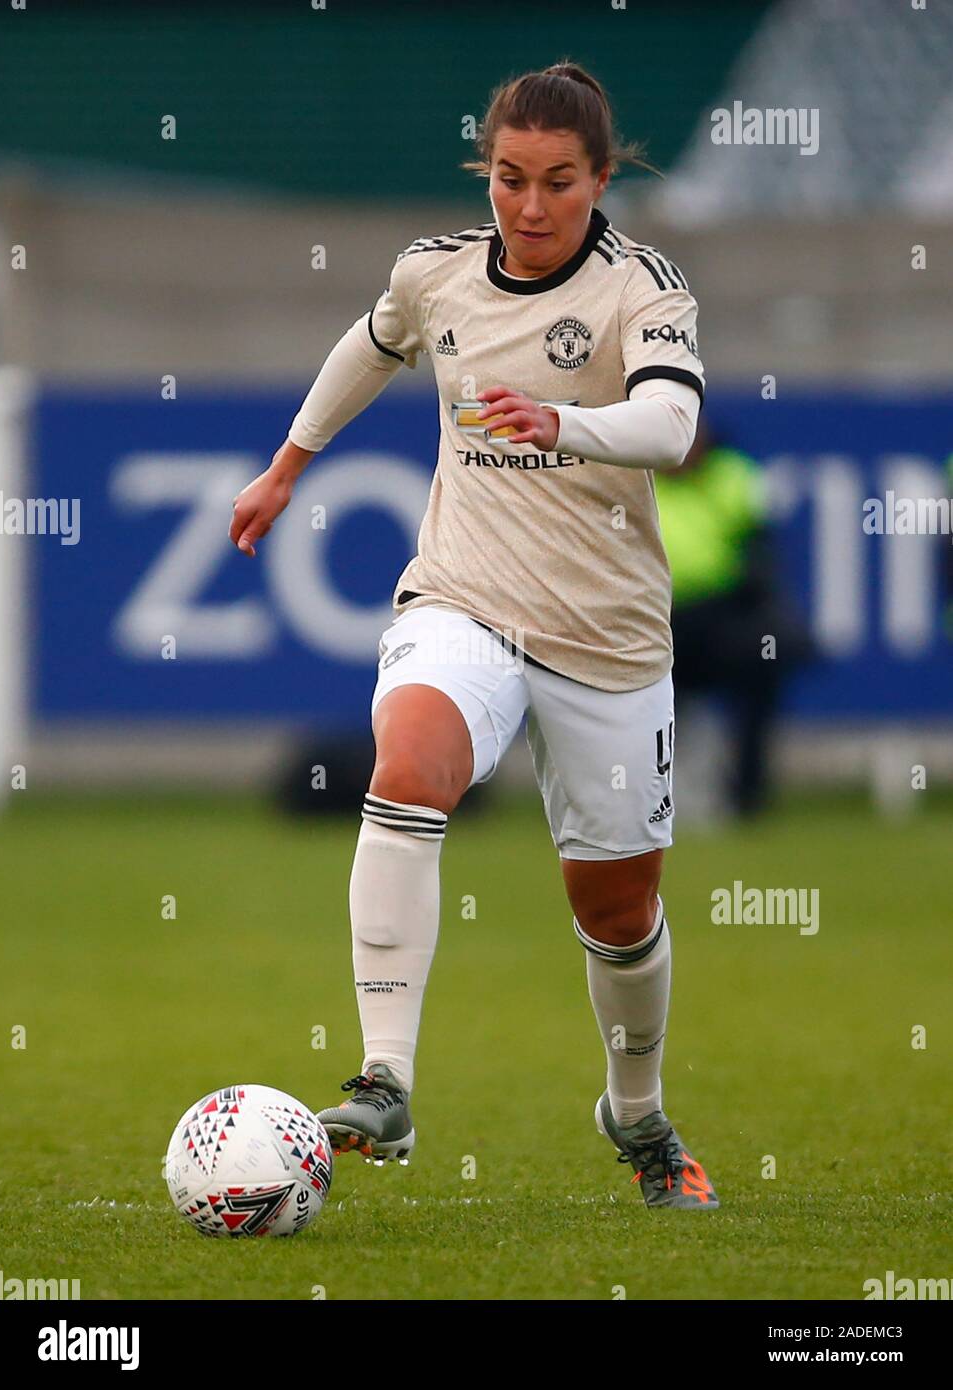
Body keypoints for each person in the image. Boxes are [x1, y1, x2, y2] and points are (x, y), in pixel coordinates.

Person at [230, 62, 718, 1208]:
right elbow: (372, 342)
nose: (529, 206)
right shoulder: (435, 271)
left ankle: (636, 1112)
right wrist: (287, 464)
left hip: (605, 638)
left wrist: (563, 422)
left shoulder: (642, 289)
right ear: (483, 170)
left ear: (601, 179)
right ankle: (384, 1078)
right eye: (508, 178)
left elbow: (671, 425)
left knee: (615, 912)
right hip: (462, 598)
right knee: (406, 762)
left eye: (557, 182)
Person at [655, 422, 815, 816]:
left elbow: (760, 557)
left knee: (765, 659)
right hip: (651, 620)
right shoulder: (630, 476)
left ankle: (747, 793)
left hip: (720, 618)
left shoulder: (734, 476)